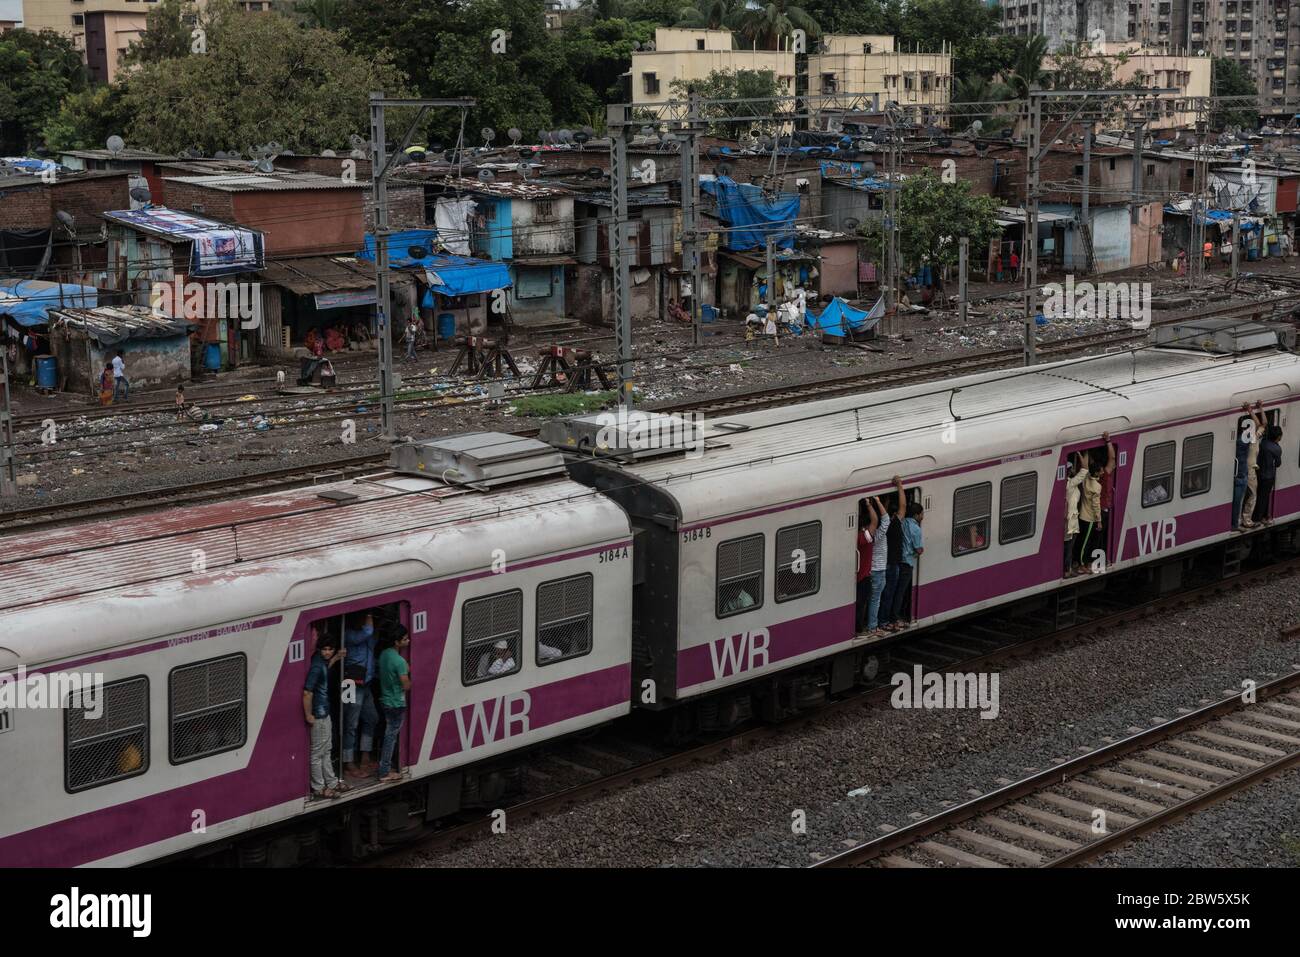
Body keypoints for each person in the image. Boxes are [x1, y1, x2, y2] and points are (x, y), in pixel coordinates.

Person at [303, 632, 347, 799]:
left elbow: (324, 670)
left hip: (324, 712)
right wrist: (309, 715)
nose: (327, 652)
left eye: (330, 649)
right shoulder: (316, 666)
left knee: (326, 749)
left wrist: (336, 658)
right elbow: (307, 691)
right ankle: (319, 787)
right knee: (317, 753)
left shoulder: (320, 661)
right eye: (325, 649)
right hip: (319, 714)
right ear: (320, 649)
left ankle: (332, 782)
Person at [341, 612, 379, 779]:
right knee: (350, 724)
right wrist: (370, 613)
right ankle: (348, 761)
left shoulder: (365, 635)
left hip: (366, 682)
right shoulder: (348, 634)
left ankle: (365, 754)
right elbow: (368, 632)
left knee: (372, 718)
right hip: (351, 684)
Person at [376, 625, 411, 784]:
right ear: (397, 642)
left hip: (385, 700)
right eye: (405, 639)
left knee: (387, 734)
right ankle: (384, 772)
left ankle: (384, 767)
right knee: (391, 737)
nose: (408, 641)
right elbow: (406, 685)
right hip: (397, 703)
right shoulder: (400, 661)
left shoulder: (384, 654)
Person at [877, 476, 908, 631]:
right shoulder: (893, 523)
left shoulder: (879, 526)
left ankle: (881, 620)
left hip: (880, 564)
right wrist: (900, 485)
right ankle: (883, 621)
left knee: (880, 595)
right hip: (892, 563)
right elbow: (903, 506)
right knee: (889, 594)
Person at [894, 501, 925, 627]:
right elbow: (918, 549)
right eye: (922, 514)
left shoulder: (903, 522)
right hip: (907, 562)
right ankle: (896, 615)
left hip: (898, 560)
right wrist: (921, 550)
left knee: (896, 589)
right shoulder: (916, 529)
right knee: (901, 591)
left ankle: (895, 613)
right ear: (917, 515)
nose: (923, 516)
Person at [1239, 402, 1266, 528]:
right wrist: (1254, 409)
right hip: (1250, 470)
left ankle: (1241, 518)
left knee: (1245, 494)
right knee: (1253, 495)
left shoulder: (1243, 439)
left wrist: (1252, 410)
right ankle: (1247, 520)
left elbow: (1260, 424)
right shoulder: (1253, 439)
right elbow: (1263, 424)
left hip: (1244, 468)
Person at [866, 496, 890, 636]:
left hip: (873, 569)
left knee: (872, 598)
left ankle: (871, 624)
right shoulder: (879, 534)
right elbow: (886, 519)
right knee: (876, 599)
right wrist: (878, 501)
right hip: (878, 570)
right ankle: (873, 626)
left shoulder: (869, 534)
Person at [855, 497, 880, 632]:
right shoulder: (865, 538)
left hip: (855, 576)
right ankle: (859, 627)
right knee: (862, 603)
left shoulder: (854, 537)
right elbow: (875, 521)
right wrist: (869, 505)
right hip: (864, 575)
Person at [1253, 425, 1283, 526]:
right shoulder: (1276, 449)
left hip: (1258, 473)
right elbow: (1278, 464)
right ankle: (1258, 518)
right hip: (1268, 476)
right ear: (1278, 437)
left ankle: (1262, 516)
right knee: (1264, 497)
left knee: (1258, 495)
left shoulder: (1263, 443)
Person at [1077, 457, 1103, 572]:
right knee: (1085, 543)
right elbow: (1096, 506)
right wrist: (1099, 520)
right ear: (1097, 472)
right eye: (1101, 470)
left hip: (1081, 514)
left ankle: (1080, 561)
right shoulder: (1097, 487)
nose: (1102, 472)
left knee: (1081, 540)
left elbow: (1085, 467)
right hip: (1089, 518)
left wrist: (1083, 454)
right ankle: (1081, 564)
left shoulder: (1086, 478)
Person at [1064, 452, 1087, 576]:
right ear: (1068, 471)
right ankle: (1067, 570)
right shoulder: (1070, 484)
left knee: (1068, 545)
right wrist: (1079, 453)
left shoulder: (1066, 483)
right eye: (1071, 468)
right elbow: (1084, 470)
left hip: (1069, 519)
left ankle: (1068, 568)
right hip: (1070, 521)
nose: (1073, 469)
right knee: (1069, 546)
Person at [1098, 433, 1116, 558]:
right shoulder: (1105, 475)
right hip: (1103, 510)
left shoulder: (1093, 479)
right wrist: (1108, 441)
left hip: (1098, 510)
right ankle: (1099, 560)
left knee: (1098, 538)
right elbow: (1113, 458)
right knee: (1101, 538)